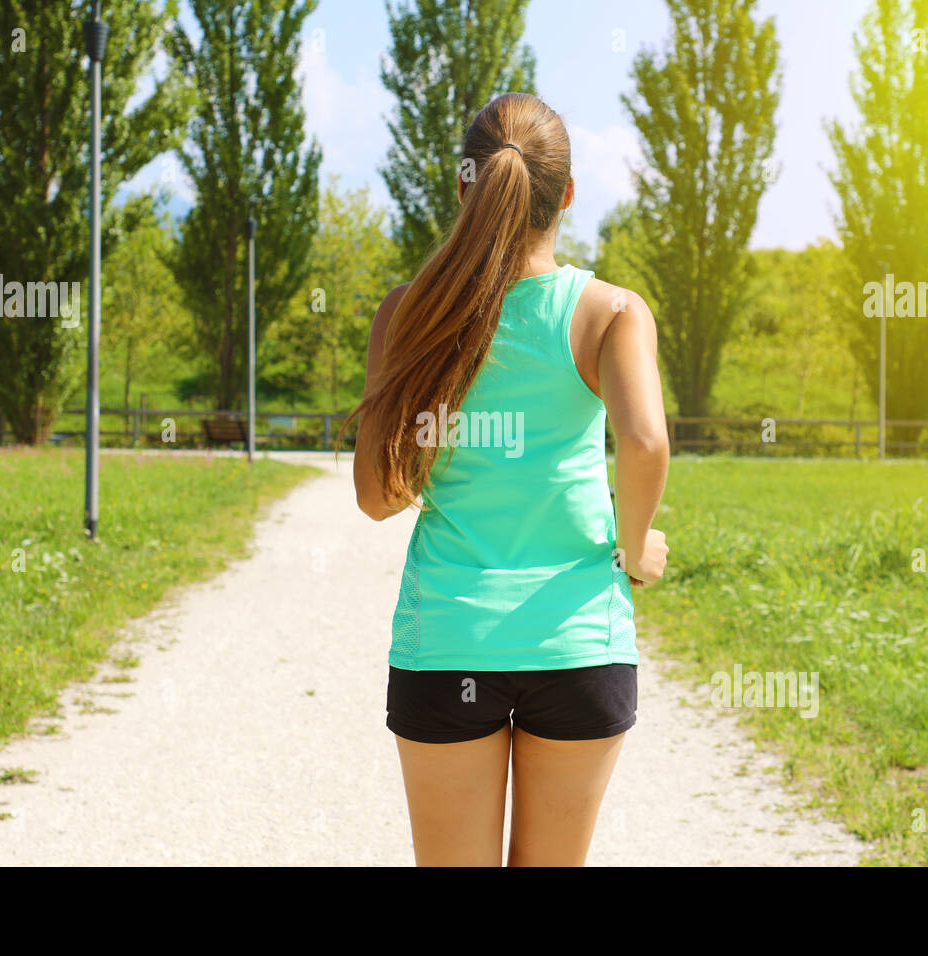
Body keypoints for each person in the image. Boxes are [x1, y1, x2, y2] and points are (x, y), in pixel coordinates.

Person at [345, 92, 670, 866]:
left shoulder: (408, 313)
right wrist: (633, 549)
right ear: (568, 195)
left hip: (448, 643)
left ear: (464, 188)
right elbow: (646, 443)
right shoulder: (613, 313)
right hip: (579, 647)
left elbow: (376, 498)